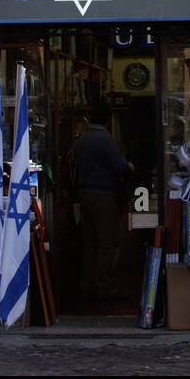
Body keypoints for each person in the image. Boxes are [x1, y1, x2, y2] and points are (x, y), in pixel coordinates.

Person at [74, 104, 132, 300]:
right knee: (106, 242)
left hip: (84, 194)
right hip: (103, 195)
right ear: (107, 120)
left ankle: (86, 286)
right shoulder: (106, 139)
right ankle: (104, 287)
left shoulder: (82, 139)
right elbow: (119, 166)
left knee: (88, 242)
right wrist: (129, 166)